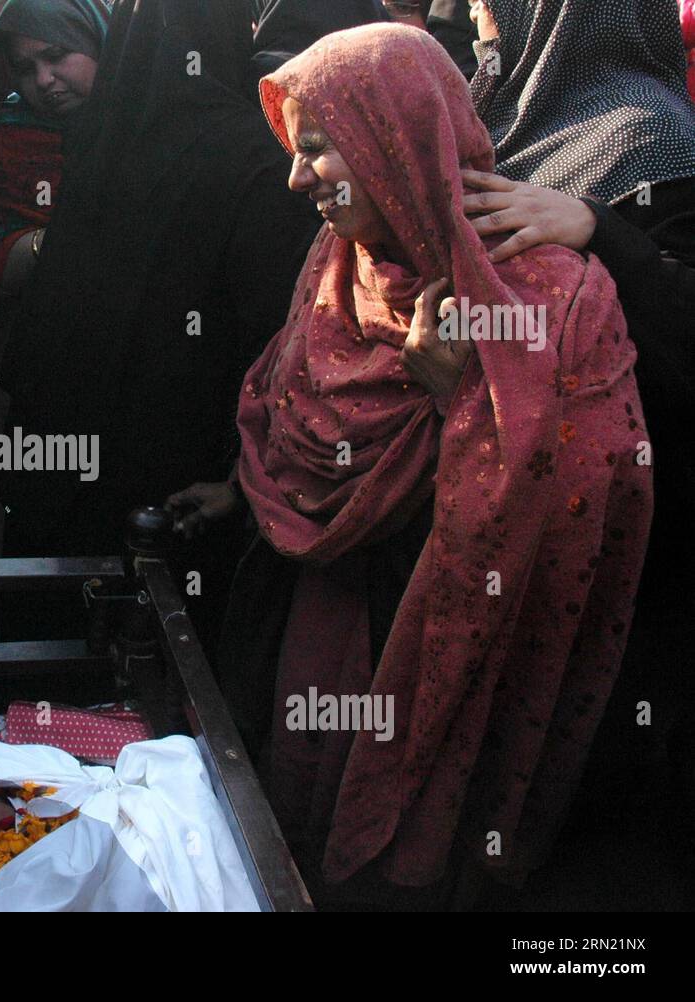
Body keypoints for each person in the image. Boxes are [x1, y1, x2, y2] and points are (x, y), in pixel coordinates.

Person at [172, 23, 652, 907]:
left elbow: (589, 511)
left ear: (391, 138)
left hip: (439, 646)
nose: (293, 178)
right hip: (313, 629)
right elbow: (294, 413)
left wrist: (460, 400)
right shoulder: (338, 261)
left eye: (318, 149)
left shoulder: (551, 294)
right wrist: (244, 495)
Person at [0, 0, 321, 701]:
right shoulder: (258, 159)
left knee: (59, 665)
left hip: (66, 458)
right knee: (163, 673)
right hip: (184, 475)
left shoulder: (102, 137)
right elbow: (276, 335)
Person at [457, 0, 695, 901]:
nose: (479, 16)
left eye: (493, 3)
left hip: (621, 548)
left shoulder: (650, 137)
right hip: (506, 524)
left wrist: (602, 234)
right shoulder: (501, 109)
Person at [0, 0, 110, 624]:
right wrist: (39, 248)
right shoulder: (2, 141)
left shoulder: (142, 130)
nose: (44, 79)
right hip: (20, 376)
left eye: (56, 56)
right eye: (25, 68)